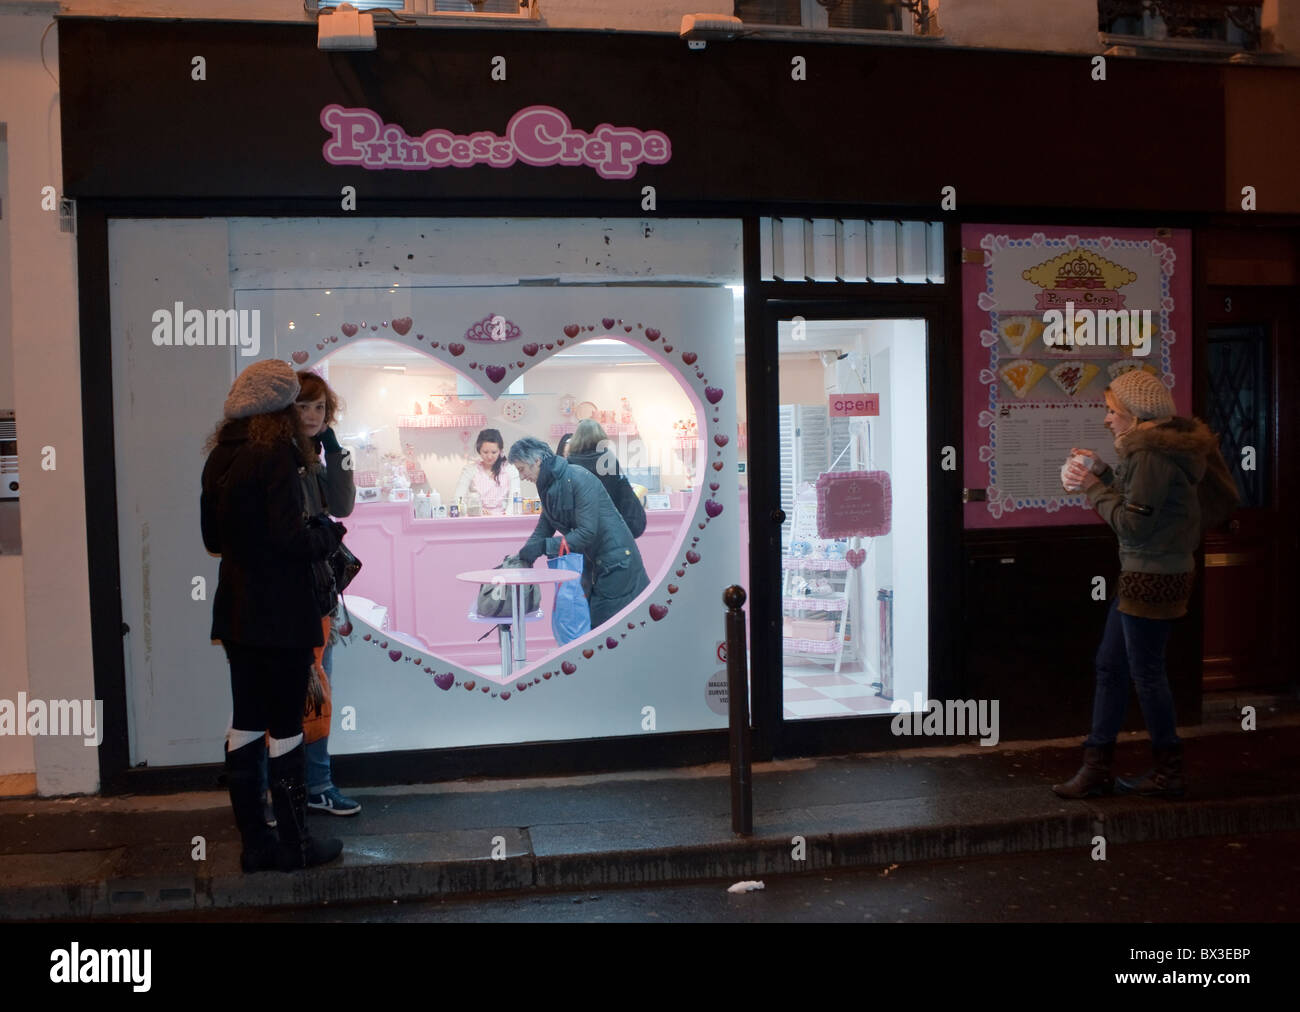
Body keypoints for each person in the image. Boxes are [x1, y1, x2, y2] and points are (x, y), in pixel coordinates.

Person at [1052, 370, 1237, 801]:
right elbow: (1147, 504)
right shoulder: (1159, 450)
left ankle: (1166, 770)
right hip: (1154, 571)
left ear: (1136, 415)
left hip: (1149, 575)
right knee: (1111, 666)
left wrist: (1093, 487)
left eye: (1113, 411)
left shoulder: (1150, 454)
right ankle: (1098, 766)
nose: (1107, 419)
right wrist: (1104, 471)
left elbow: (1133, 525)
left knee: (1144, 674)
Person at [200, 360, 344, 872]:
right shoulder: (276, 456)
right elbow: (291, 541)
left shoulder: (220, 456)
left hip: (237, 613)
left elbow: (213, 541)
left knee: (245, 724)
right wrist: (330, 535)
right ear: (280, 409)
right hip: (282, 613)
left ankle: (256, 846)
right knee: (286, 727)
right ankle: (297, 846)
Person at [293, 370, 361, 817]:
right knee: (297, 696)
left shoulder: (315, 456)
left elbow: (343, 506)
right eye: (303, 406)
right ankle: (298, 786)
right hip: (293, 596)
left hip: (317, 595)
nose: (313, 415)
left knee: (317, 694)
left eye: (319, 407)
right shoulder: (282, 460)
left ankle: (316, 783)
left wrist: (336, 453)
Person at [508, 436, 650, 628]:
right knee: (599, 630)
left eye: (521, 469)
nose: (522, 476)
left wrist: (543, 547)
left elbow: (586, 533)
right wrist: (524, 555)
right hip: (596, 565)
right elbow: (545, 526)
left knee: (609, 631)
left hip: (617, 563)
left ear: (537, 461)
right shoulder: (549, 484)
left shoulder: (577, 477)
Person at [564, 418, 647, 539]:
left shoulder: (570, 463)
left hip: (582, 528)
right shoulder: (609, 460)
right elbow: (622, 491)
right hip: (610, 526)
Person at [454, 428, 521, 515]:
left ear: (500, 451)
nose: (489, 456)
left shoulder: (510, 470)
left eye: (494, 452)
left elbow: (515, 500)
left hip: (503, 520)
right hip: (477, 519)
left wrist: (504, 516)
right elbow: (458, 499)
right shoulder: (470, 470)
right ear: (479, 450)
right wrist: (472, 510)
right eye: (485, 452)